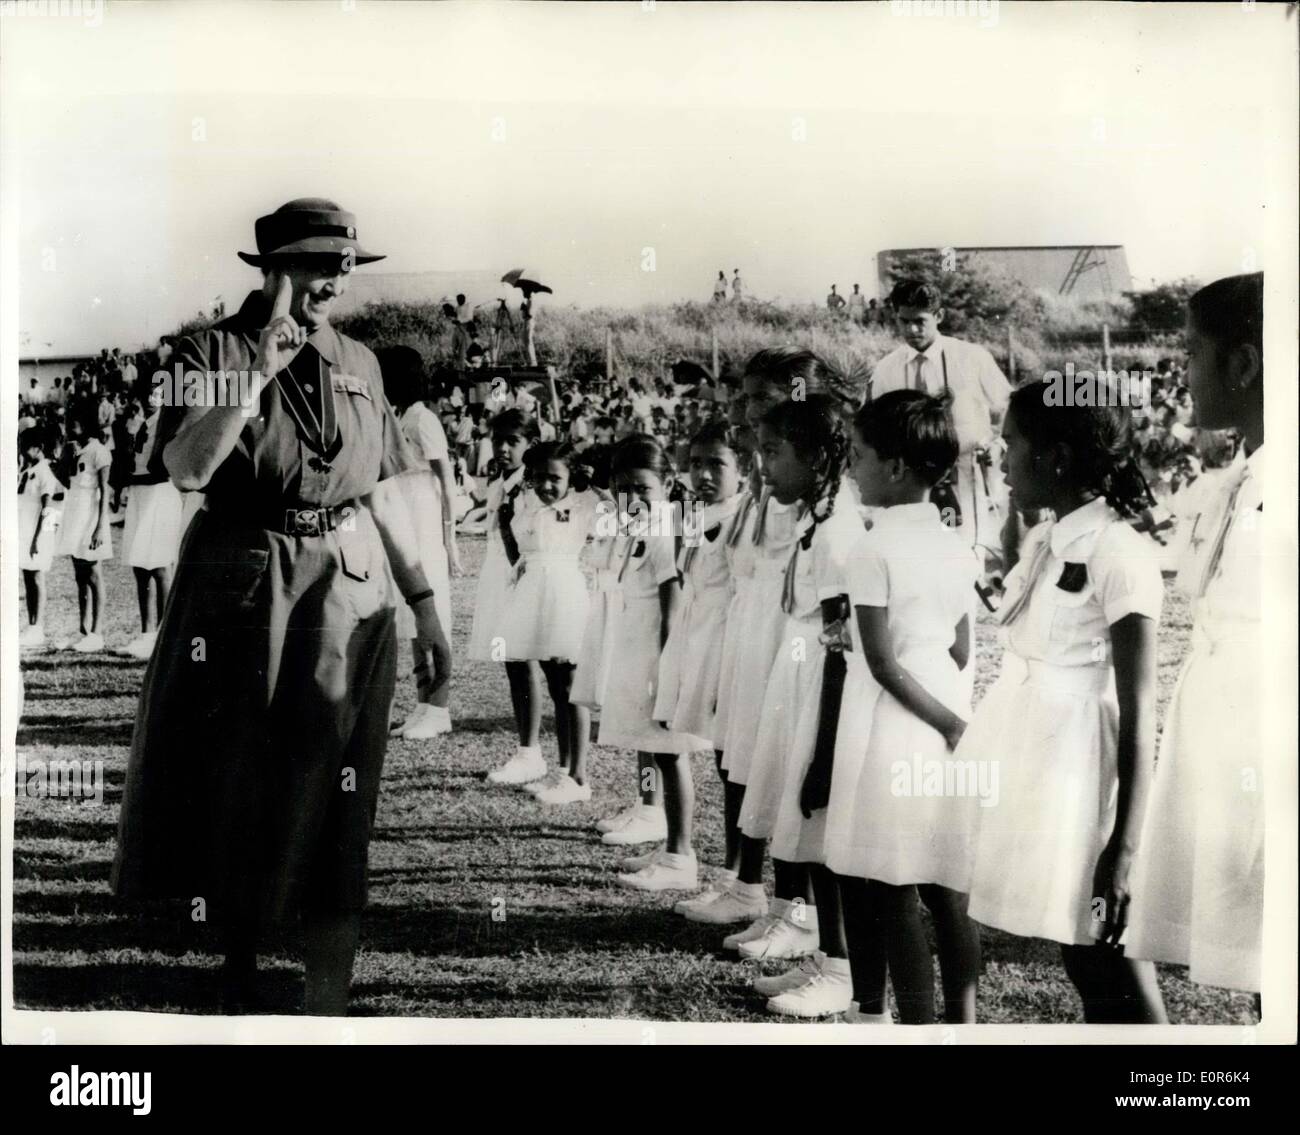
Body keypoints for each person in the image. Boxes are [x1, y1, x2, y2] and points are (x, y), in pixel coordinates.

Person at [113, 198, 449, 1016]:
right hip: (245, 582)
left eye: (344, 264)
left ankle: (323, 1000)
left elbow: (381, 493)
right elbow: (188, 468)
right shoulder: (210, 349)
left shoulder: (363, 363)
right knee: (239, 782)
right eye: (316, 263)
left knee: (342, 786)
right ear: (273, 268)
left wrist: (427, 605)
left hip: (349, 585)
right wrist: (255, 371)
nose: (334, 278)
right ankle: (236, 980)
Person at [955, 379, 1167, 1023]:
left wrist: (1124, 848)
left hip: (1081, 769)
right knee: (1078, 945)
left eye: (1012, 443)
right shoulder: (1047, 541)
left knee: (1108, 943)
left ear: (1057, 458)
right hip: (1034, 755)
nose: (1001, 457)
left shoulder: (1119, 553)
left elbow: (1138, 710)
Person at [1126, 273, 1265, 1003]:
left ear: (1242, 364)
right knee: (1256, 950)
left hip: (1269, 745)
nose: (1182, 373)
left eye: (1192, 352)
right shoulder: (1244, 470)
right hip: (1228, 737)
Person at [827, 391, 981, 1025]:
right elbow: (962, 646)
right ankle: (963, 1025)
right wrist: (952, 722)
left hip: (896, 723)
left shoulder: (871, 549)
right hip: (944, 710)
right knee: (948, 888)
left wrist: (943, 722)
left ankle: (913, 1026)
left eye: (858, 457)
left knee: (893, 887)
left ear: (894, 468)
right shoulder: (957, 543)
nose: (850, 469)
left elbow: (882, 663)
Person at [740, 394, 864, 1018]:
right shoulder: (814, 514)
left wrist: (827, 748)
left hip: (821, 680)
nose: (763, 466)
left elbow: (843, 645)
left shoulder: (840, 527)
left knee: (820, 826)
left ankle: (842, 972)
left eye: (773, 452)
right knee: (802, 828)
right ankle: (823, 952)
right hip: (799, 673)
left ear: (816, 458)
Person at [712, 349, 823, 949]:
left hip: (791, 636)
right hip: (756, 627)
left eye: (759, 396)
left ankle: (798, 913)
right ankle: (763, 893)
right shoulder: (767, 470)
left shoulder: (812, 479)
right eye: (745, 395)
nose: (745, 407)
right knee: (757, 759)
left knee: (786, 767)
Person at [599, 436, 708, 870]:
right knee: (646, 742)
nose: (633, 499)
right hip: (639, 647)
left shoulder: (667, 530)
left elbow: (673, 609)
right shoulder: (636, 528)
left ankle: (680, 853)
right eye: (623, 490)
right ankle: (652, 817)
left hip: (660, 651)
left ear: (665, 484)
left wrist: (668, 673)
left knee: (669, 749)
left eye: (643, 489)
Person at [652, 421, 746, 910]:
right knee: (704, 751)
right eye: (696, 464)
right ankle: (710, 864)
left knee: (733, 763)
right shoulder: (690, 516)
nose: (704, 474)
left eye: (717, 464)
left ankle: (737, 874)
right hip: (695, 637)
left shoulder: (744, 518)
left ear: (742, 468)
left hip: (727, 639)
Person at [870, 280, 1011, 565]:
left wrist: (998, 444)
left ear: (939, 316)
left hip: (963, 478)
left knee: (964, 561)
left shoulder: (972, 358)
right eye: (904, 321)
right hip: (909, 485)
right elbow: (874, 426)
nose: (911, 330)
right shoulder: (886, 369)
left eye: (920, 322)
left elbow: (1010, 405)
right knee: (912, 564)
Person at [498, 442, 603, 804]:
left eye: (555, 478)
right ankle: (561, 771)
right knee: (551, 678)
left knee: (569, 687)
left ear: (571, 477)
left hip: (564, 596)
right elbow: (517, 541)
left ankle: (577, 776)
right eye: (539, 477)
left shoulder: (583, 505)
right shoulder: (525, 505)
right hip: (531, 594)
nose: (546, 486)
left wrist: (594, 483)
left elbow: (618, 512)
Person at [378, 345, 459, 740]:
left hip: (425, 513)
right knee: (412, 618)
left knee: (433, 610)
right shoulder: (397, 414)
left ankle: (439, 707)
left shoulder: (423, 418)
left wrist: (450, 536)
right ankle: (422, 705)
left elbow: (446, 479)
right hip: (403, 510)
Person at [473, 409, 549, 786]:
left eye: (512, 442)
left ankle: (532, 753)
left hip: (522, 576)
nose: (502, 448)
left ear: (531, 445)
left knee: (525, 661)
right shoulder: (499, 481)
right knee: (512, 662)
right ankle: (528, 751)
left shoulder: (533, 485)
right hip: (498, 573)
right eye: (497, 440)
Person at [118, 382, 186, 660]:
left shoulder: (169, 423)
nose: (150, 397)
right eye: (148, 392)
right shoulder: (139, 423)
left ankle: (163, 635)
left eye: (157, 393)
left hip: (158, 495)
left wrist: (131, 479)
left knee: (159, 566)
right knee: (139, 566)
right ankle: (146, 635)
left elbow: (163, 471)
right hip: (139, 495)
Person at [54, 404, 113, 652]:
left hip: (91, 516)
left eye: (74, 423)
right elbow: (65, 482)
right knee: (79, 575)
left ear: (85, 424)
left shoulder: (100, 452)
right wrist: (63, 457)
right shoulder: (74, 450)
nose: (69, 427)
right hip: (74, 514)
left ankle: (97, 633)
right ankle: (83, 630)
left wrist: (99, 527)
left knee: (93, 573)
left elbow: (104, 490)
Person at [18, 428, 64, 649]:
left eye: (25, 445)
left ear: (38, 448)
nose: (22, 450)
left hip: (37, 533)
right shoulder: (26, 471)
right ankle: (31, 624)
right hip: (24, 531)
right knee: (27, 578)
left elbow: (48, 508)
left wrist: (38, 538)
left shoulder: (45, 472)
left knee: (36, 578)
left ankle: (38, 627)